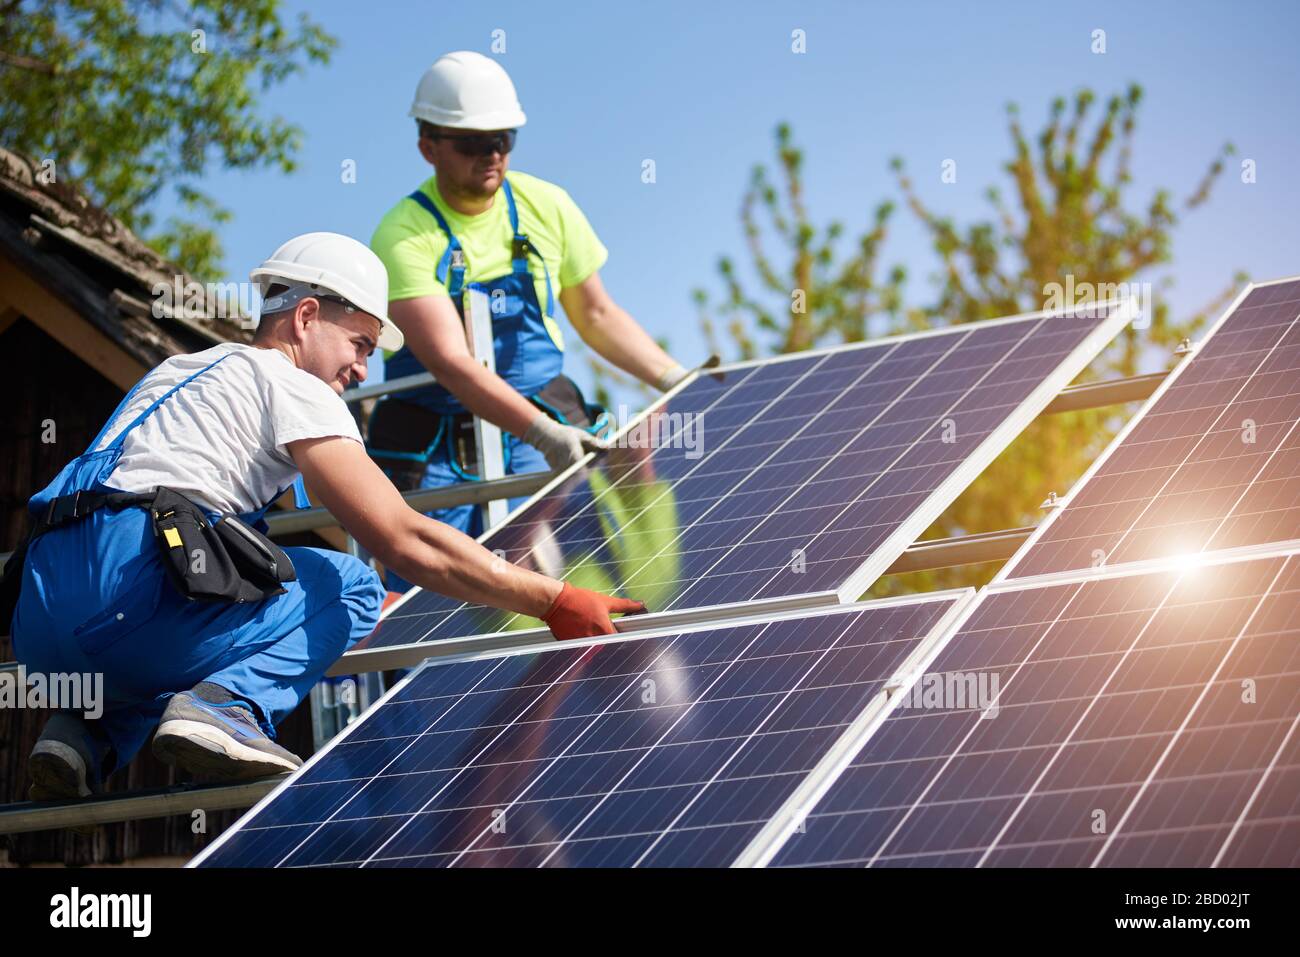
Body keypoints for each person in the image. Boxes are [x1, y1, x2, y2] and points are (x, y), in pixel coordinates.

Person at [6, 231, 644, 801]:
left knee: (214, 580)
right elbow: (400, 537)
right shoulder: (295, 387)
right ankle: (226, 710)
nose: (363, 368)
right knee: (353, 582)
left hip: (39, 622)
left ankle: (80, 737)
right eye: (360, 343)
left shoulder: (180, 371)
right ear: (306, 316)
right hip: (134, 598)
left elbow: (215, 540)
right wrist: (552, 598)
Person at [368, 51, 692, 582]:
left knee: (569, 573)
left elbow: (597, 314)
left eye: (503, 139)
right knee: (434, 598)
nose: (492, 154)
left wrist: (676, 378)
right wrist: (543, 433)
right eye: (473, 143)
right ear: (429, 146)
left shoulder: (549, 206)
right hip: (435, 449)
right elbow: (451, 361)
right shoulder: (403, 234)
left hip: (539, 425)